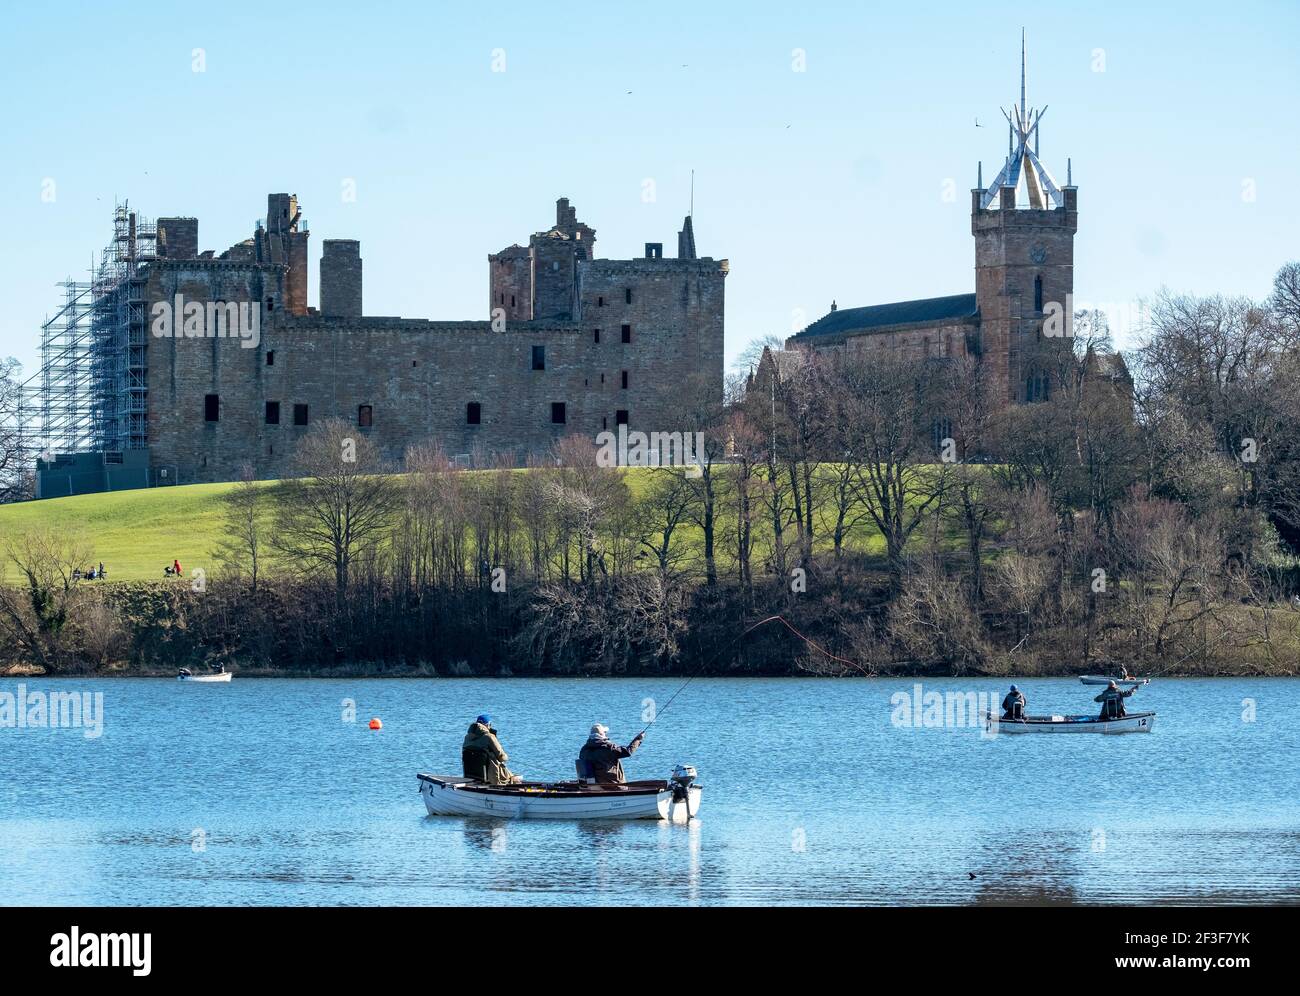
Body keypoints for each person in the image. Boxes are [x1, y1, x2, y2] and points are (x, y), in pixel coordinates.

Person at [461, 714, 520, 785]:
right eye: (490, 724)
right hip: (492, 776)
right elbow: (502, 757)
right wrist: (506, 757)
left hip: (472, 774)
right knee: (516, 779)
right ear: (487, 725)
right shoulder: (489, 737)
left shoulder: (467, 737)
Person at [576, 724, 644, 785]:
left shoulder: (584, 750)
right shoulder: (609, 748)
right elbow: (628, 751)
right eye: (605, 732)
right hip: (613, 785)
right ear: (602, 735)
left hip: (594, 785)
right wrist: (638, 739)